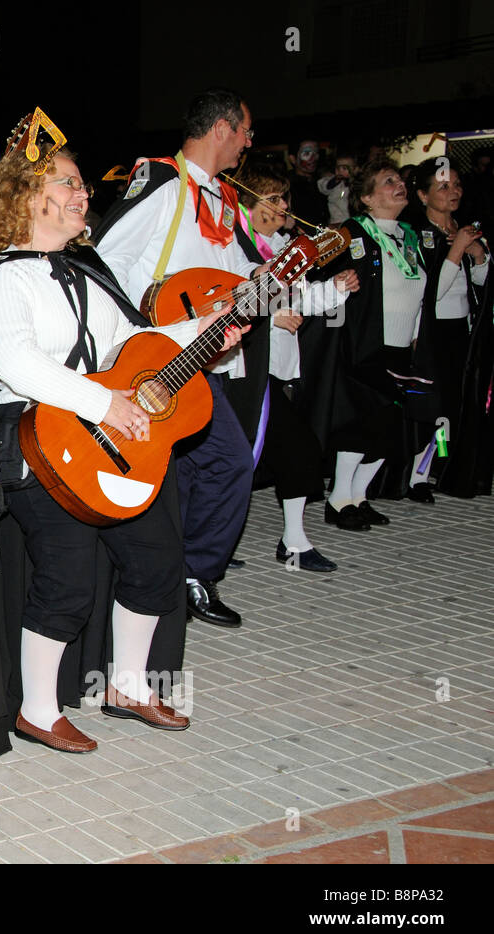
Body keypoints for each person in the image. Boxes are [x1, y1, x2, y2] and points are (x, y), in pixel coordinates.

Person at [0, 147, 243, 761]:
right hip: (38, 449)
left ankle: (126, 686)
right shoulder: (8, 278)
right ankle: (37, 711)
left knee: (157, 561)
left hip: (104, 449)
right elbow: (19, 364)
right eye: (67, 183)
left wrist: (205, 328)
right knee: (67, 580)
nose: (83, 194)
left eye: (79, 184)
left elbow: (135, 344)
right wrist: (103, 407)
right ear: (26, 198)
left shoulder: (84, 271)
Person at [94, 88, 261, 628]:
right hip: (157, 359)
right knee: (230, 462)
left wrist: (271, 290)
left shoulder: (223, 200)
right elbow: (104, 257)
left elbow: (237, 283)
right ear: (222, 130)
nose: (249, 143)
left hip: (202, 358)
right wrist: (136, 330)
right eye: (245, 132)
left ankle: (176, 578)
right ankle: (191, 574)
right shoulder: (164, 183)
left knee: (189, 472)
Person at [297, 158, 436, 527]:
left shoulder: (410, 236)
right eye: (388, 181)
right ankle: (339, 499)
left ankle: (357, 495)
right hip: (365, 345)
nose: (398, 185)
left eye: (398, 180)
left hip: (403, 346)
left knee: (389, 428)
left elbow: (419, 289)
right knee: (361, 425)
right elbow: (319, 276)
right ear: (367, 197)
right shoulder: (351, 233)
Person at [233, 164, 358, 571]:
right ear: (248, 205)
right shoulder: (234, 245)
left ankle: (218, 542)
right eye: (275, 198)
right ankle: (292, 543)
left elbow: (302, 303)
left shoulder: (286, 248)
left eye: (285, 198)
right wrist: (274, 314)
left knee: (254, 458)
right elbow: (228, 295)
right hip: (244, 369)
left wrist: (335, 289)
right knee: (294, 449)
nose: (285, 206)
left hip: (277, 368)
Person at [405, 157, 488, 498]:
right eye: (443, 186)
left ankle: (446, 466)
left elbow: (481, 285)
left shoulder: (464, 229)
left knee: (458, 404)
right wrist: (455, 252)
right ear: (423, 195)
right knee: (433, 408)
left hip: (463, 330)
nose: (452, 192)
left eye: (456, 185)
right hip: (429, 332)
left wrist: (479, 256)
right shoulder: (416, 235)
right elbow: (431, 294)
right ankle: (419, 474)